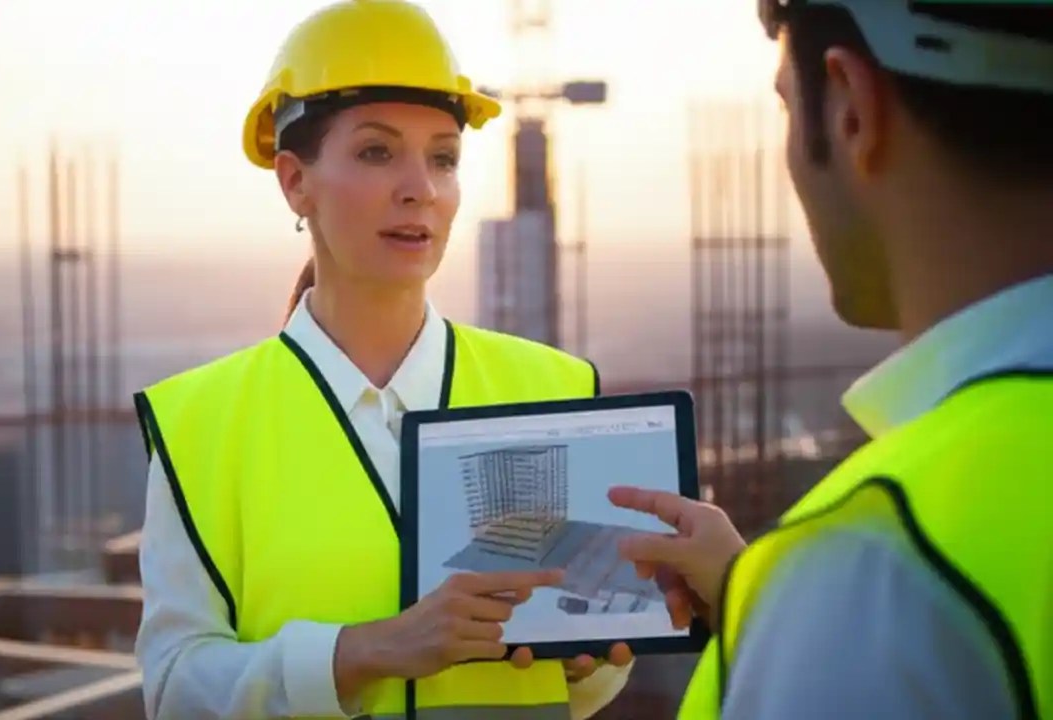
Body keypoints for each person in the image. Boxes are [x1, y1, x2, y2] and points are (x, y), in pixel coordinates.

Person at [132, 2, 632, 718]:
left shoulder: (553, 389)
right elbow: (175, 688)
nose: (420, 188)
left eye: (443, 158)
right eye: (376, 152)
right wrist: (362, 652)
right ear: (295, 182)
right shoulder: (201, 428)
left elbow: (584, 688)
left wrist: (590, 660)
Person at [607, 1, 1053, 718]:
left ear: (850, 109)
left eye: (787, 103)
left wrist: (802, 613)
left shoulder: (875, 563)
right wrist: (757, 597)